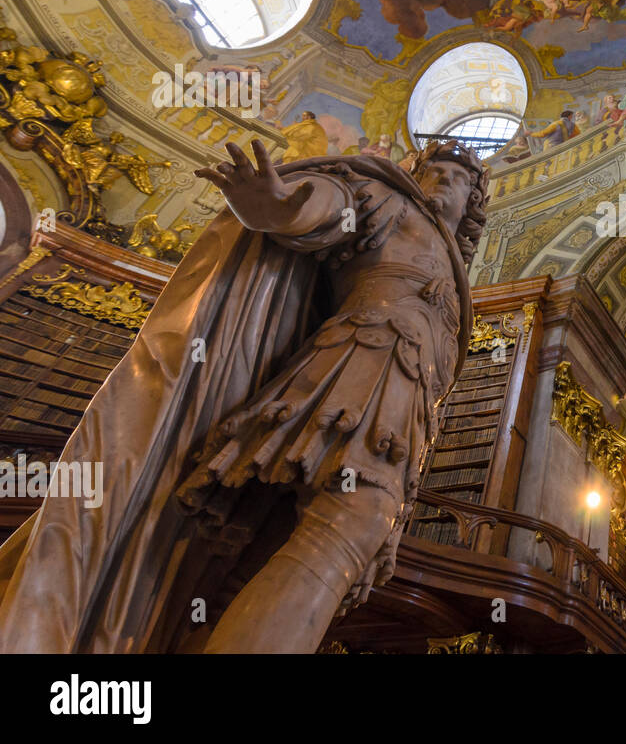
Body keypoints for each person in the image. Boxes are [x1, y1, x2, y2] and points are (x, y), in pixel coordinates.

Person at [0, 138, 488, 653]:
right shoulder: (393, 199)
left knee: (254, 549)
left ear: (474, 203)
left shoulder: (457, 281)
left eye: (455, 179)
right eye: (432, 171)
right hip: (356, 368)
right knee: (354, 520)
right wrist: (279, 206)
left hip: (407, 411)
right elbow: (334, 205)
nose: (439, 183)